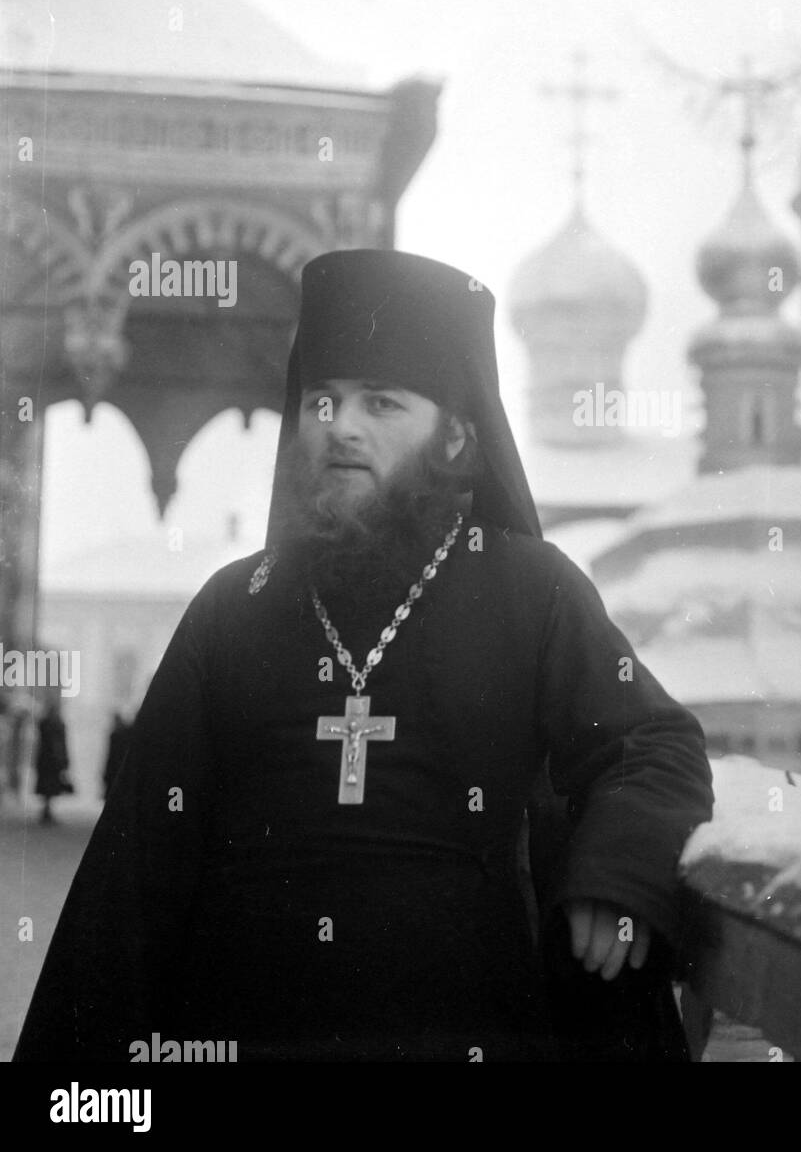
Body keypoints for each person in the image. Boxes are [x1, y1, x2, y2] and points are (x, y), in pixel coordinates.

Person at [14, 249, 714, 1062]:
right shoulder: (233, 607)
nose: (339, 425)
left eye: (380, 403)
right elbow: (137, 867)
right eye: (322, 400)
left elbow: (652, 743)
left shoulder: (532, 590)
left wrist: (615, 877)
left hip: (461, 1026)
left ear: (456, 437)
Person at [32, 698, 73, 825]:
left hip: (49, 762)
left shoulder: (47, 724)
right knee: (49, 788)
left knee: (48, 788)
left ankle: (47, 811)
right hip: (51, 762)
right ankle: (47, 811)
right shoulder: (55, 724)